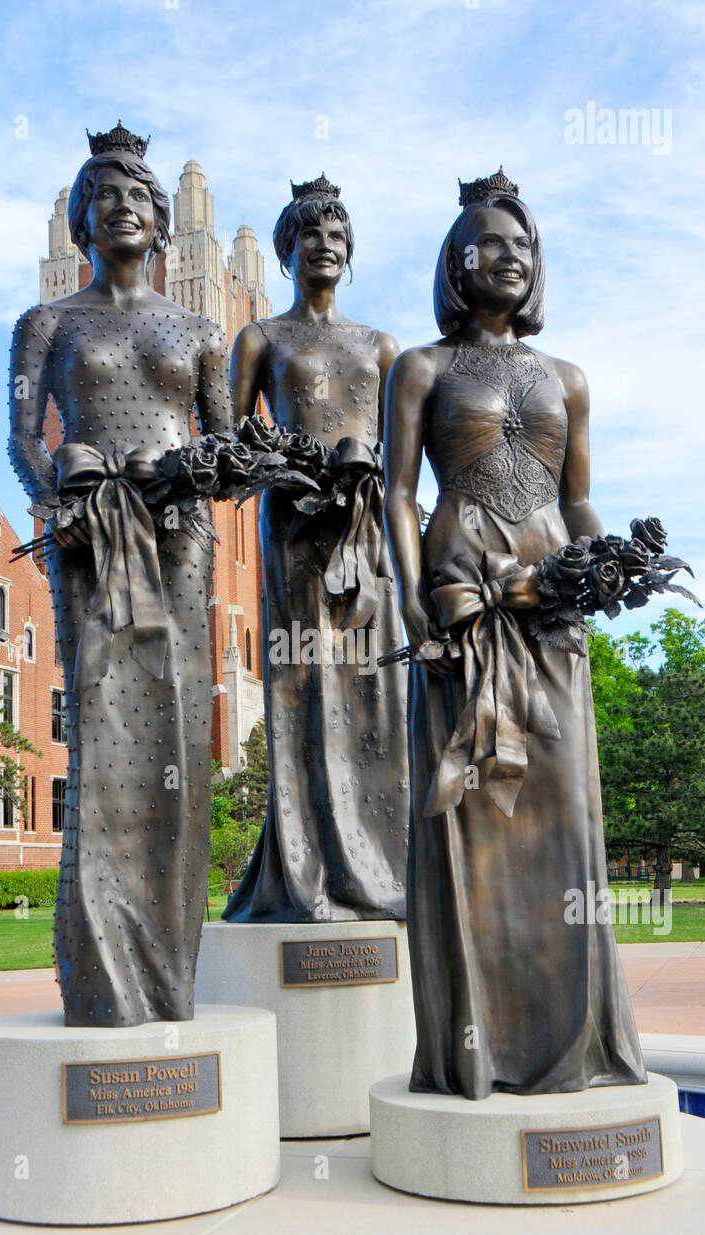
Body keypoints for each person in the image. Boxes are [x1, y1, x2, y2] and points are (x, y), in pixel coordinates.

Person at [382, 169, 647, 1096]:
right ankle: (475, 1050)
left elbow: (575, 497)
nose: (508, 256)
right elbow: (397, 491)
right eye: (489, 241)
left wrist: (609, 564)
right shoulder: (419, 366)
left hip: (552, 604)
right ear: (455, 260)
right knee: (470, 822)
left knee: (562, 811)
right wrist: (411, 601)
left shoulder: (565, 377)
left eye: (522, 245)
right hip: (461, 593)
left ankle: (575, 1044)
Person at [8, 122, 232, 1025]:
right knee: (104, 733)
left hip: (178, 538)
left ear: (163, 222)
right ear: (81, 223)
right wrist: (60, 493)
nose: (123, 208)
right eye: (105, 197)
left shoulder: (201, 328)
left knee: (178, 733)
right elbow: (26, 434)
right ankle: (101, 976)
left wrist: (199, 471)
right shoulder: (48, 323)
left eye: (139, 197)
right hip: (94, 536)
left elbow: (224, 442)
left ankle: (169, 973)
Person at [223, 175, 409, 924]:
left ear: (349, 252)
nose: (324, 245)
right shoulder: (261, 339)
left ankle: (382, 866)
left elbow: (404, 456)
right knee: (305, 683)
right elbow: (234, 442)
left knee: (373, 690)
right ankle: (306, 869)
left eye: (336, 236)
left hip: (365, 529)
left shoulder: (381, 345)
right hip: (295, 526)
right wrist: (295, 466)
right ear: (287, 251)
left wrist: (364, 476)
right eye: (310, 235)